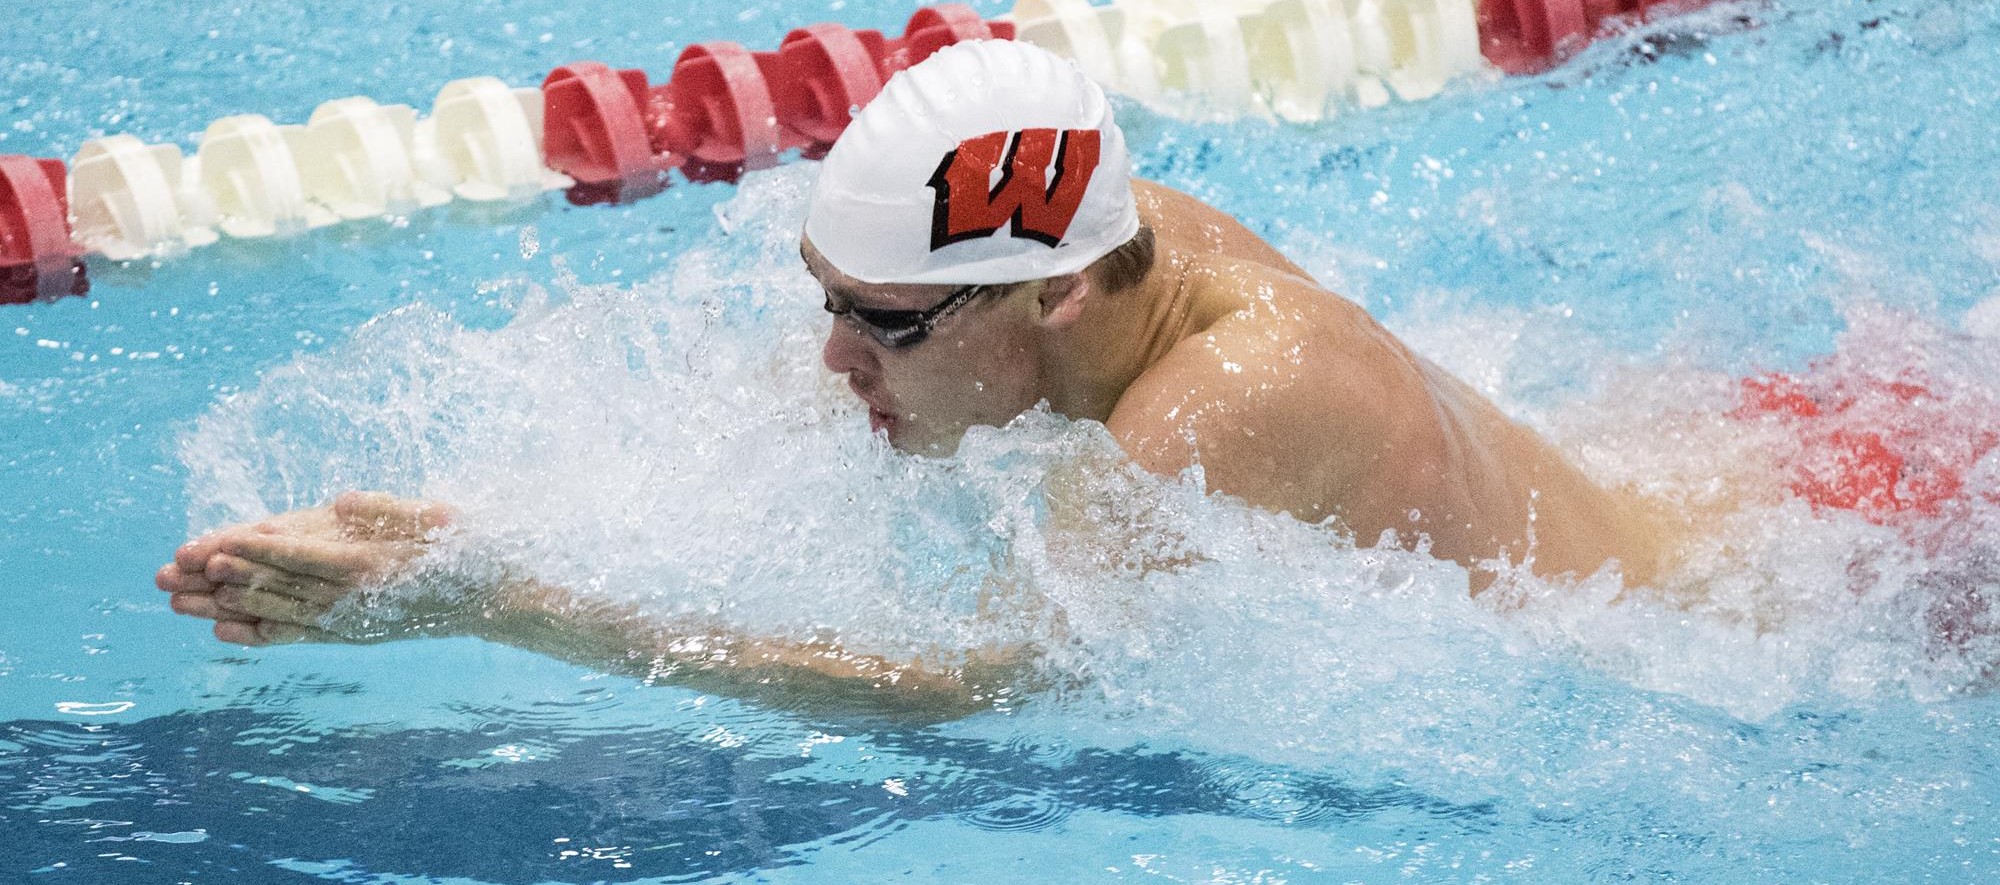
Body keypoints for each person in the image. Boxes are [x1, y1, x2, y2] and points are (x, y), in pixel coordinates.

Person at [154, 41, 1675, 714]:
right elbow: (737, 429)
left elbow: (974, 694)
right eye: (830, 304)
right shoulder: (1096, 257)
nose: (832, 363)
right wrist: (473, 524)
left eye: (882, 328)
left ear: (1059, 294)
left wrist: (510, 606)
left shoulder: (1222, 407)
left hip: (1716, 613)